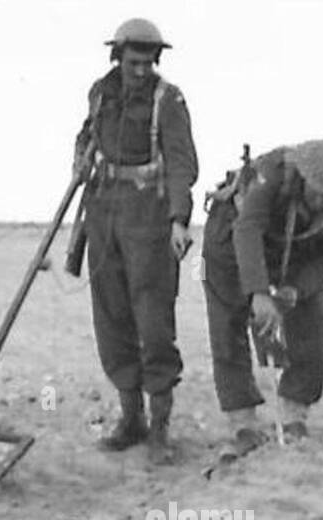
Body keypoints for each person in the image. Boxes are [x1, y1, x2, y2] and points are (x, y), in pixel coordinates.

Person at [74, 18, 199, 465]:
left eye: (148, 63)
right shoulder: (100, 92)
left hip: (149, 217)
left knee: (153, 323)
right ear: (117, 57)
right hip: (104, 211)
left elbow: (182, 162)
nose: (141, 71)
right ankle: (131, 420)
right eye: (133, 62)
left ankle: (161, 430)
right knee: (111, 318)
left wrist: (180, 220)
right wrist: (80, 161)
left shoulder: (170, 100)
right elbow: (87, 135)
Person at [201, 139, 323, 459]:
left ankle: (294, 419)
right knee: (228, 326)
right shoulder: (273, 173)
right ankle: (243, 425)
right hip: (232, 239)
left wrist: (296, 290)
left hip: (297, 253)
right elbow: (247, 229)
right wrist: (259, 293)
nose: (321, 202)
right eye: (317, 192)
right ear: (303, 178)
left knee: (312, 326)